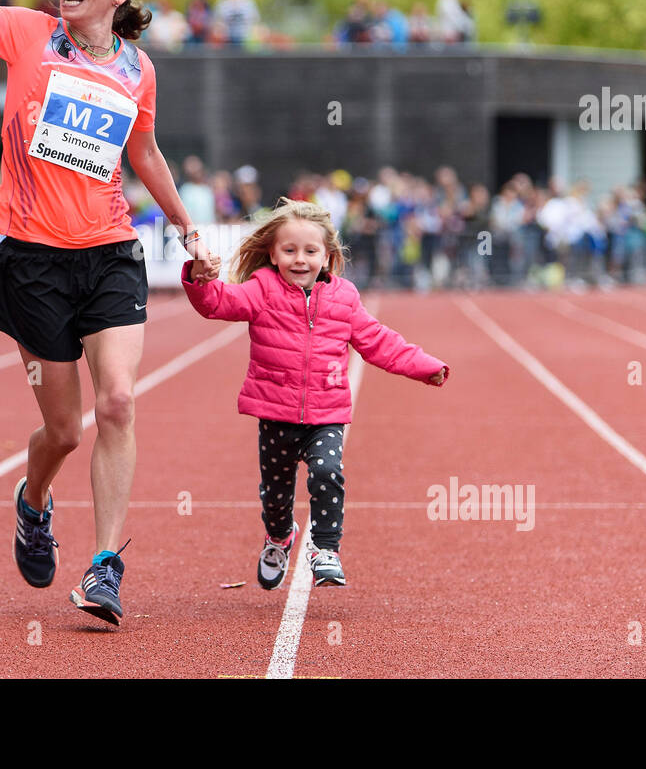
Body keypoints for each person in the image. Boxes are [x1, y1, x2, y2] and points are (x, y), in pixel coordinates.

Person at [0, 0, 219, 626]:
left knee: (117, 400)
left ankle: (107, 565)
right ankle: (33, 500)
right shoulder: (25, 33)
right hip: (33, 263)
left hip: (111, 254)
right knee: (64, 430)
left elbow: (144, 152)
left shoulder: (137, 71)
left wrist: (185, 227)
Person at [180, 199, 448, 588]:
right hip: (275, 414)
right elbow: (220, 303)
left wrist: (425, 367)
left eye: (310, 251)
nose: (300, 260)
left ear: (328, 255)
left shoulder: (345, 298)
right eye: (289, 251)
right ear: (272, 253)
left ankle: (325, 548)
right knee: (276, 495)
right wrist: (200, 279)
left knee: (327, 472)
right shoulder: (262, 290)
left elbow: (378, 341)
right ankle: (278, 536)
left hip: (326, 413)